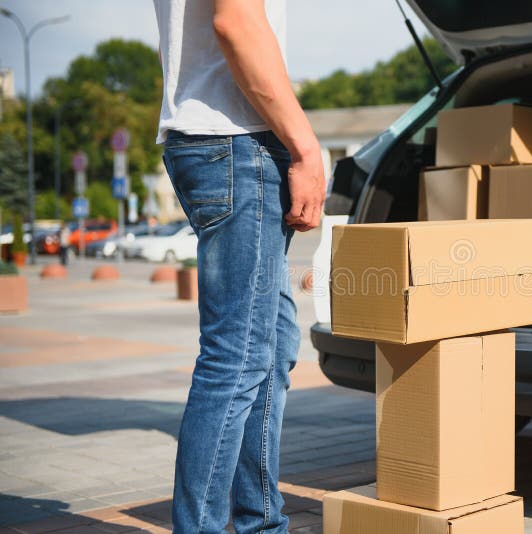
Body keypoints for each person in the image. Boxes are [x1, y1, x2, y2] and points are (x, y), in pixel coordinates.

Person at [151, 1, 326, 532]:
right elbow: (236, 22)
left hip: (224, 142)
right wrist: (306, 148)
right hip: (234, 141)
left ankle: (262, 524)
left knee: (269, 350)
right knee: (239, 358)